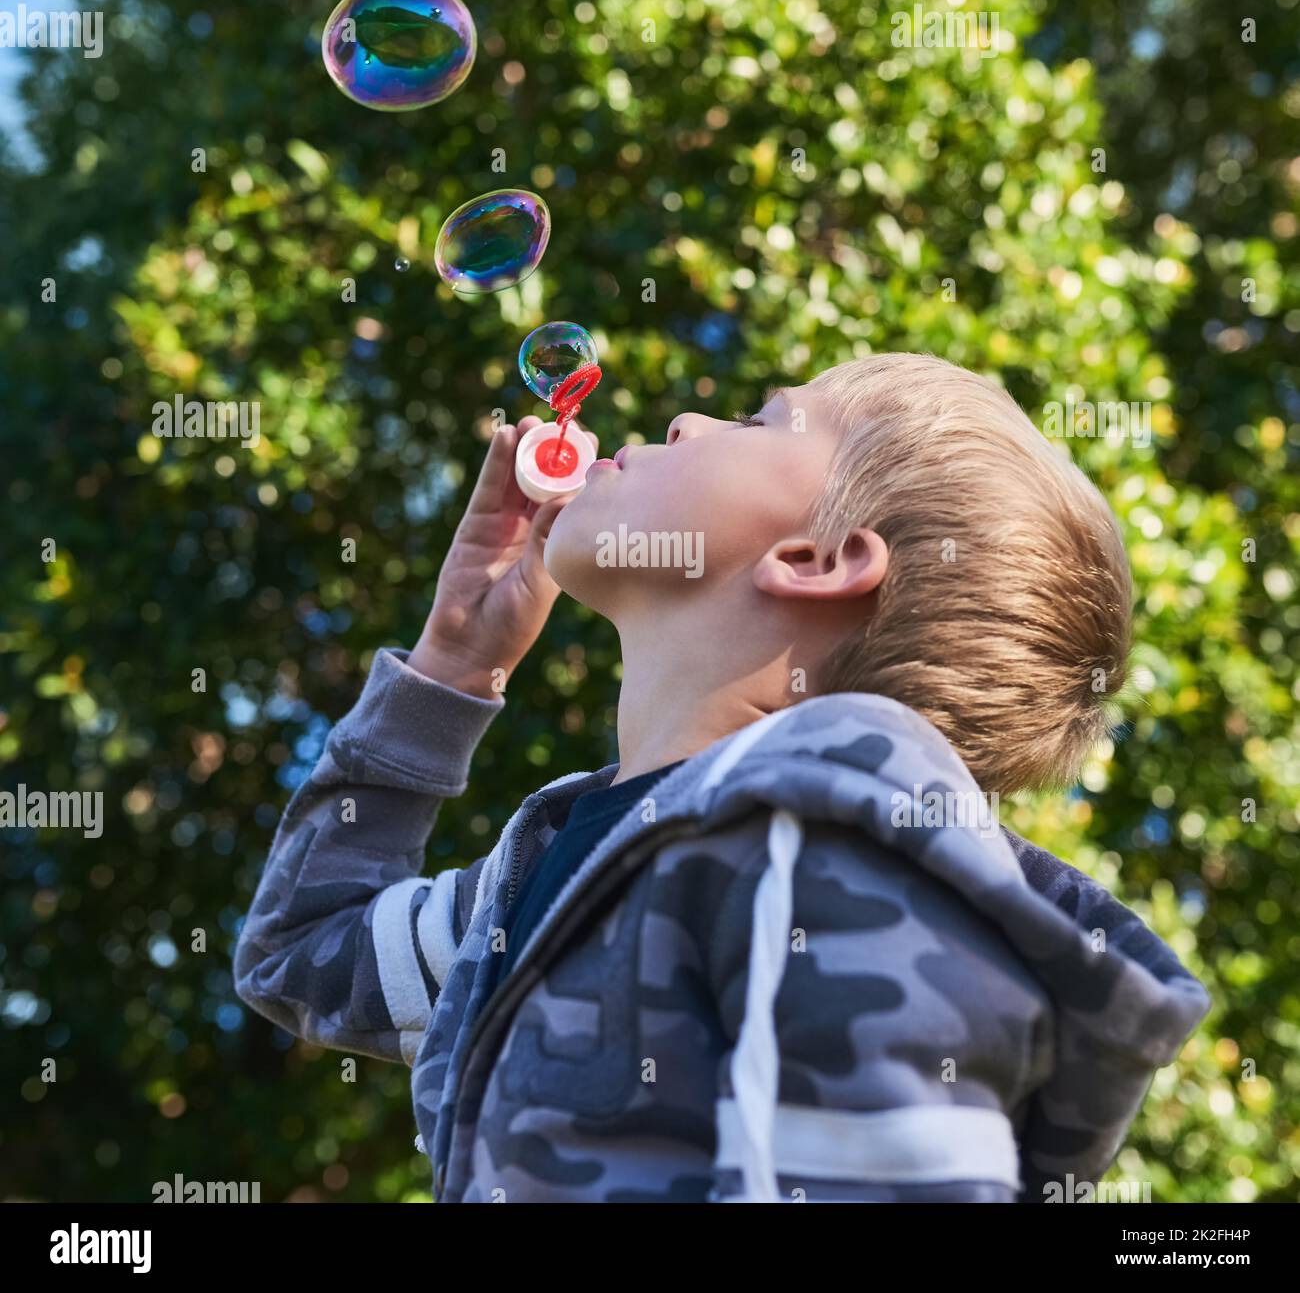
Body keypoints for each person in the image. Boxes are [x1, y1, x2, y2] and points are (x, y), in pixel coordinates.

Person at [233, 351, 1211, 1202]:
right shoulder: (548, 869)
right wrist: (451, 664)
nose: (683, 418)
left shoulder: (836, 837)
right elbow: (299, 952)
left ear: (816, 559)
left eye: (759, 419)